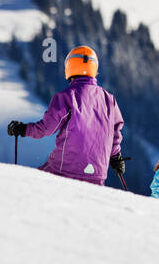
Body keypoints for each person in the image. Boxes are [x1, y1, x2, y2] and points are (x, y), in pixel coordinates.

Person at [8, 45, 126, 186]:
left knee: (32, 184)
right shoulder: (109, 100)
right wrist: (115, 157)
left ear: (69, 68)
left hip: (64, 169)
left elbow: (46, 129)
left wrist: (22, 129)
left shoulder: (66, 97)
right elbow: (115, 133)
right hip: (98, 174)